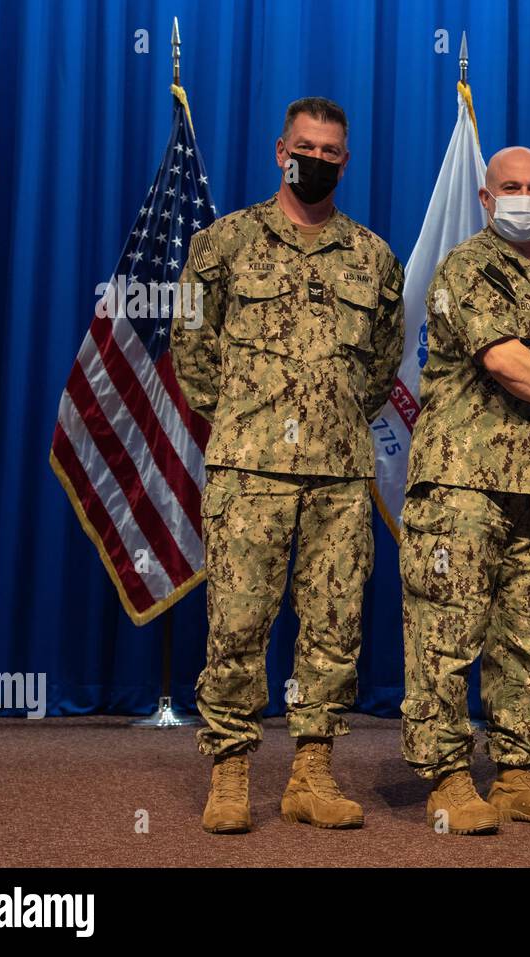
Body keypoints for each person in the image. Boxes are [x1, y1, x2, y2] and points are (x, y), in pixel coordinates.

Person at [172, 97, 405, 834]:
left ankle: (312, 768)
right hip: (250, 469)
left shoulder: (372, 255)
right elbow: (190, 347)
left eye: (331, 150)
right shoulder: (224, 243)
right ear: (281, 151)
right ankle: (232, 768)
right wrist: (245, 417)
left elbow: (382, 364)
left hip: (339, 471)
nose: (317, 158)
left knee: (333, 626)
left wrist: (332, 420)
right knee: (237, 621)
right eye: (306, 146)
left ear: (345, 160)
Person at [400, 146, 530, 835]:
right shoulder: (466, 266)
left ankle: (518, 773)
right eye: (511, 187)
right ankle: (448, 776)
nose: (525, 197)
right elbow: (506, 361)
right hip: (463, 481)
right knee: (446, 630)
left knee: (528, 637)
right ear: (488, 199)